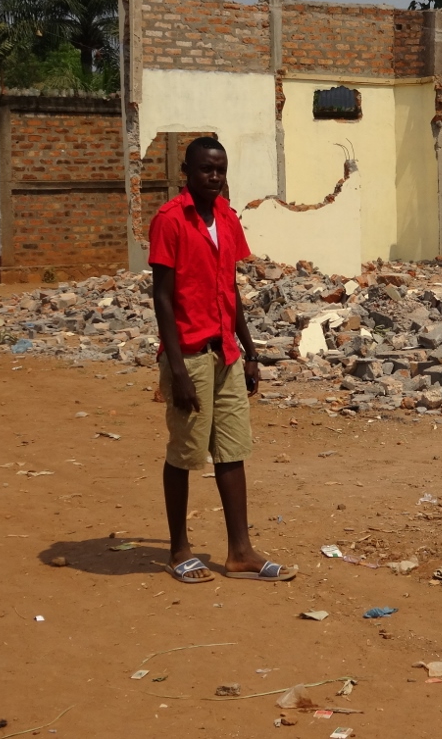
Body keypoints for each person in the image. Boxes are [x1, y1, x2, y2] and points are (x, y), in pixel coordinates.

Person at [148, 136, 297, 584]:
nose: (214, 177)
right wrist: (176, 370)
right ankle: (179, 550)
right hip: (188, 356)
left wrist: (250, 351)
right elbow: (162, 297)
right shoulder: (170, 220)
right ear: (187, 173)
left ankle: (240, 552)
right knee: (186, 453)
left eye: (220, 169)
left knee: (232, 451)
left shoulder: (229, 218)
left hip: (226, 353)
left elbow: (230, 290)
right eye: (206, 170)